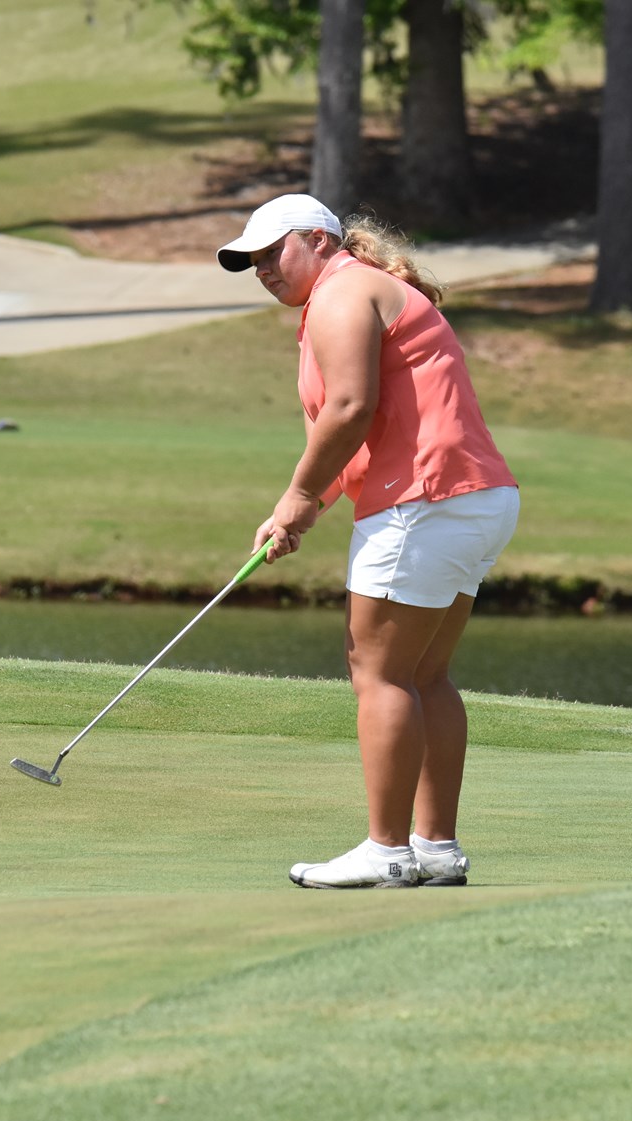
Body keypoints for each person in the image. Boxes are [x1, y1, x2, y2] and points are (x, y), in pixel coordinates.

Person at [216, 194, 520, 889]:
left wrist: (296, 494)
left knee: (378, 673)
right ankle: (435, 847)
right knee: (423, 675)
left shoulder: (342, 291)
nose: (262, 269)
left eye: (273, 252)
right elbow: (354, 434)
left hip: (423, 500)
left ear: (320, 239)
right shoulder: (357, 293)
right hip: (474, 497)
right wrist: (304, 506)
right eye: (251, 262)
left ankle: (386, 851)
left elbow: (351, 408)